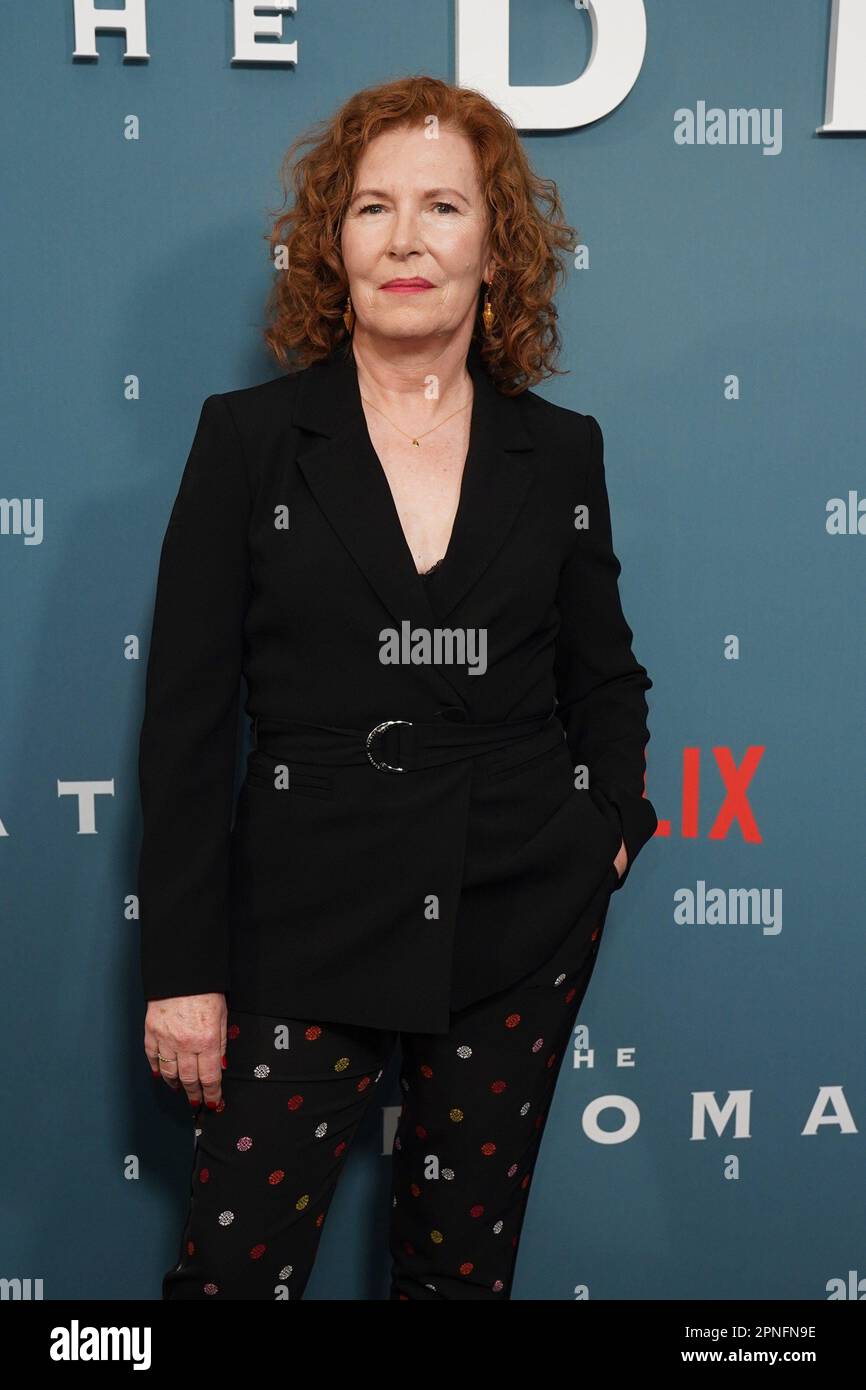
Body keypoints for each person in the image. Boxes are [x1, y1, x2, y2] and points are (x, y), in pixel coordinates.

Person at [137, 74, 659, 1301]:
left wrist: (608, 831)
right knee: (227, 1278)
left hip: (514, 919)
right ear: (334, 243)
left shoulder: (559, 449)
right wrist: (181, 970)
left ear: (495, 244)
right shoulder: (247, 439)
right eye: (372, 208)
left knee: (457, 1276)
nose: (407, 239)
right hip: (299, 925)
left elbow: (607, 672)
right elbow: (185, 718)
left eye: (442, 205)